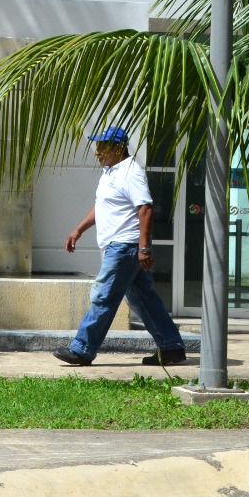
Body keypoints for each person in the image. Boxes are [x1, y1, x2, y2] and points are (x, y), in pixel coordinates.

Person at [53, 126, 188, 366]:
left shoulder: (130, 172)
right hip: (119, 246)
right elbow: (102, 206)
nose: (97, 152)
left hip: (125, 247)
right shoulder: (110, 172)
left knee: (103, 297)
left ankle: (82, 350)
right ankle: (171, 348)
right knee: (144, 300)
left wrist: (144, 248)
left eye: (102, 146)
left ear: (118, 148)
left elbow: (145, 208)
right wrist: (78, 230)